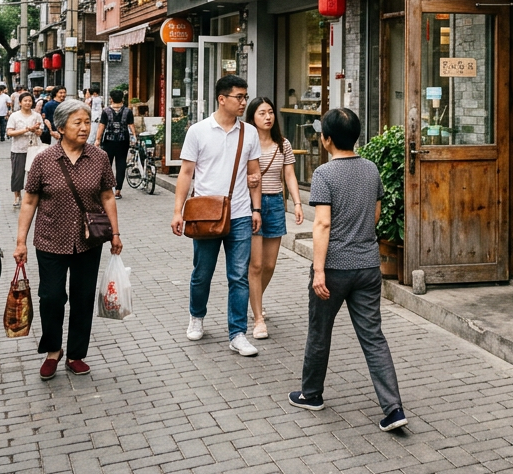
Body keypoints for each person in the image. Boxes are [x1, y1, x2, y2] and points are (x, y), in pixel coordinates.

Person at [289, 107, 407, 432]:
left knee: (319, 332)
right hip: (368, 265)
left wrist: (319, 270)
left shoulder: (325, 175)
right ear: (355, 137)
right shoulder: (371, 169)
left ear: (326, 140)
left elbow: (323, 224)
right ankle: (393, 408)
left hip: (335, 267)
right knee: (373, 338)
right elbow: (375, 214)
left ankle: (311, 394)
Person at [14, 99, 122, 380]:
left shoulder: (97, 158)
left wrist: (116, 233)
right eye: (78, 123)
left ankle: (75, 353)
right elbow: (29, 201)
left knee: (83, 298)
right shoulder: (43, 159)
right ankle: (53, 351)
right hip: (50, 239)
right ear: (60, 127)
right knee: (51, 297)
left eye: (87, 122)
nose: (85, 128)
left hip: (88, 240)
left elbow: (107, 195)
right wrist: (20, 241)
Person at [170, 75, 264, 357]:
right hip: (205, 215)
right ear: (222, 99)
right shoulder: (198, 131)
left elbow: (254, 174)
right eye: (239, 97)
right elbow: (186, 173)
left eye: (245, 96)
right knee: (202, 273)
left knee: (239, 276)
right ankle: (196, 316)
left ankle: (237, 334)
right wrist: (178, 212)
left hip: (240, 214)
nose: (243, 102)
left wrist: (256, 208)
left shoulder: (249, 133)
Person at [243, 97, 304, 339]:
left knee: (269, 265)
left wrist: (297, 203)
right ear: (252, 118)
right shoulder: (246, 142)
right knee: (255, 265)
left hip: (275, 204)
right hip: (251, 205)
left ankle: (253, 299)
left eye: (270, 112)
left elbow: (289, 176)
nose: (268, 117)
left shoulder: (283, 144)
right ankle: (258, 318)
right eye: (262, 113)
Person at [6, 92, 44, 210]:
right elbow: (10, 132)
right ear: (20, 102)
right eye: (25, 101)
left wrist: (35, 130)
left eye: (30, 101)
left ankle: (32, 197)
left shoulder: (36, 116)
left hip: (34, 149)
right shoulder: (14, 116)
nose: (28, 103)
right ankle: (17, 196)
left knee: (34, 175)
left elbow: (40, 132)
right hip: (18, 149)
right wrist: (26, 129)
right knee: (18, 174)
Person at [96, 89, 135, 199]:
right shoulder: (128, 111)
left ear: (111, 99)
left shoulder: (106, 111)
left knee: (107, 165)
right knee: (121, 163)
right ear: (122, 99)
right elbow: (131, 125)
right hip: (123, 141)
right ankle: (118, 190)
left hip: (109, 141)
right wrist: (134, 137)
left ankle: (108, 188)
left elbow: (101, 126)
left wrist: (97, 139)